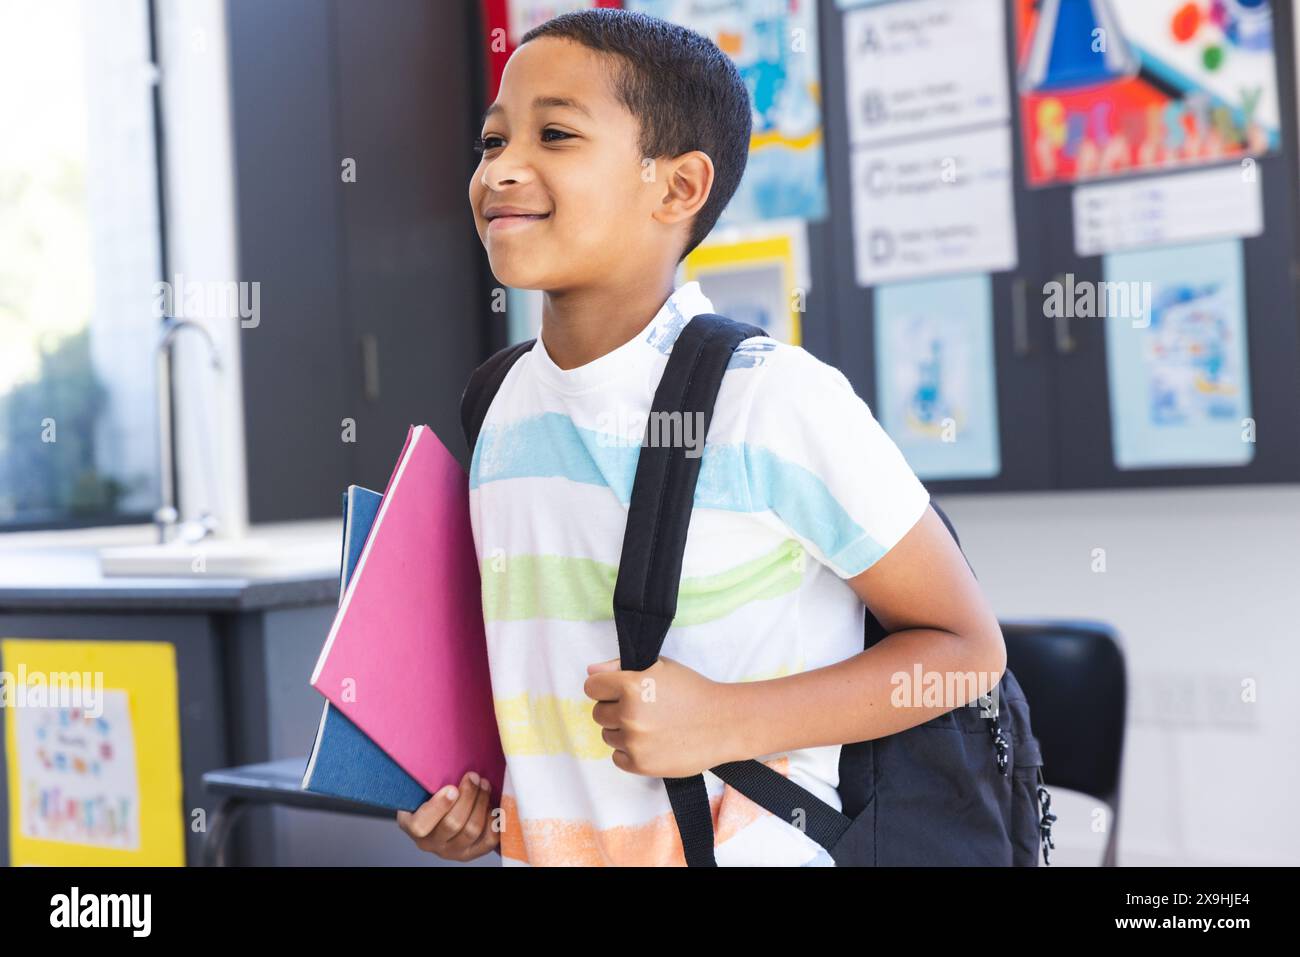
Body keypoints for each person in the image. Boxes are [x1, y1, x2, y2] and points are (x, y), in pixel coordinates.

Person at [397, 7, 1004, 866]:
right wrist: (481, 804)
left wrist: (726, 718)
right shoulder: (495, 407)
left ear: (678, 187)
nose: (503, 169)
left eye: (556, 134)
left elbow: (966, 652)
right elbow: (544, 691)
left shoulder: (774, 401)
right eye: (492, 142)